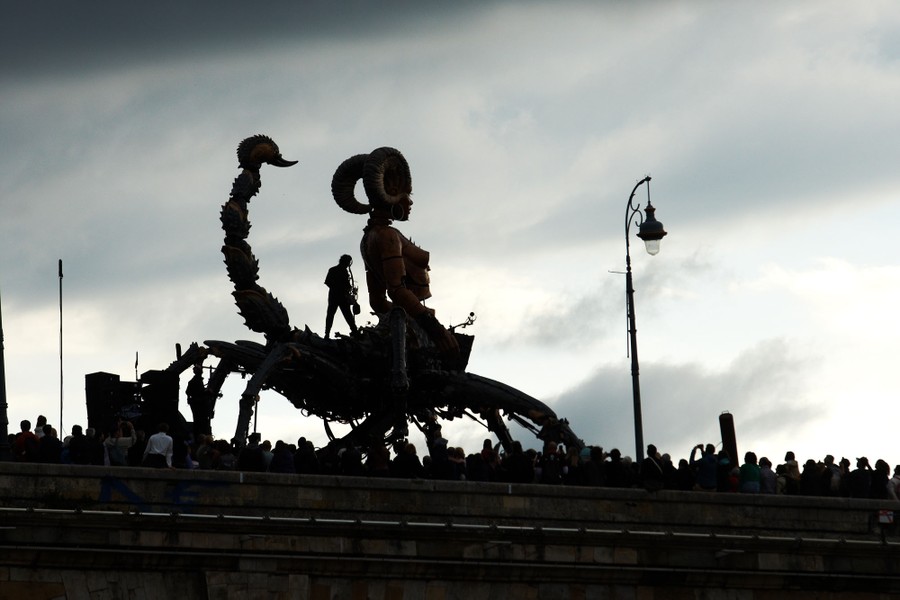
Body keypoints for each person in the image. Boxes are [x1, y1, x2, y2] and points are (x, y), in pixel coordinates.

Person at [331, 148, 459, 361]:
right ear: (390, 194)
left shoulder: (370, 237)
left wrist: (409, 320)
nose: (409, 202)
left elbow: (378, 302)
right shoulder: (388, 236)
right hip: (417, 335)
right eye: (406, 195)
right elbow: (397, 290)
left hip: (406, 328)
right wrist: (434, 329)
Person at [323, 254, 360, 338]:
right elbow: (328, 282)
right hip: (336, 296)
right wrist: (339, 288)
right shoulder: (334, 270)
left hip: (341, 296)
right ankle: (327, 334)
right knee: (332, 314)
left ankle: (355, 331)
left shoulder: (343, 271)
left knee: (346, 315)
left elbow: (347, 286)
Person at [186, 364, 214, 439]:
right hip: (199, 403)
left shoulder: (193, 380)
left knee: (198, 420)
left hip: (195, 403)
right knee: (201, 421)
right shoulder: (197, 380)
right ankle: (201, 435)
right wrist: (208, 392)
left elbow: (188, 392)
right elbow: (199, 393)